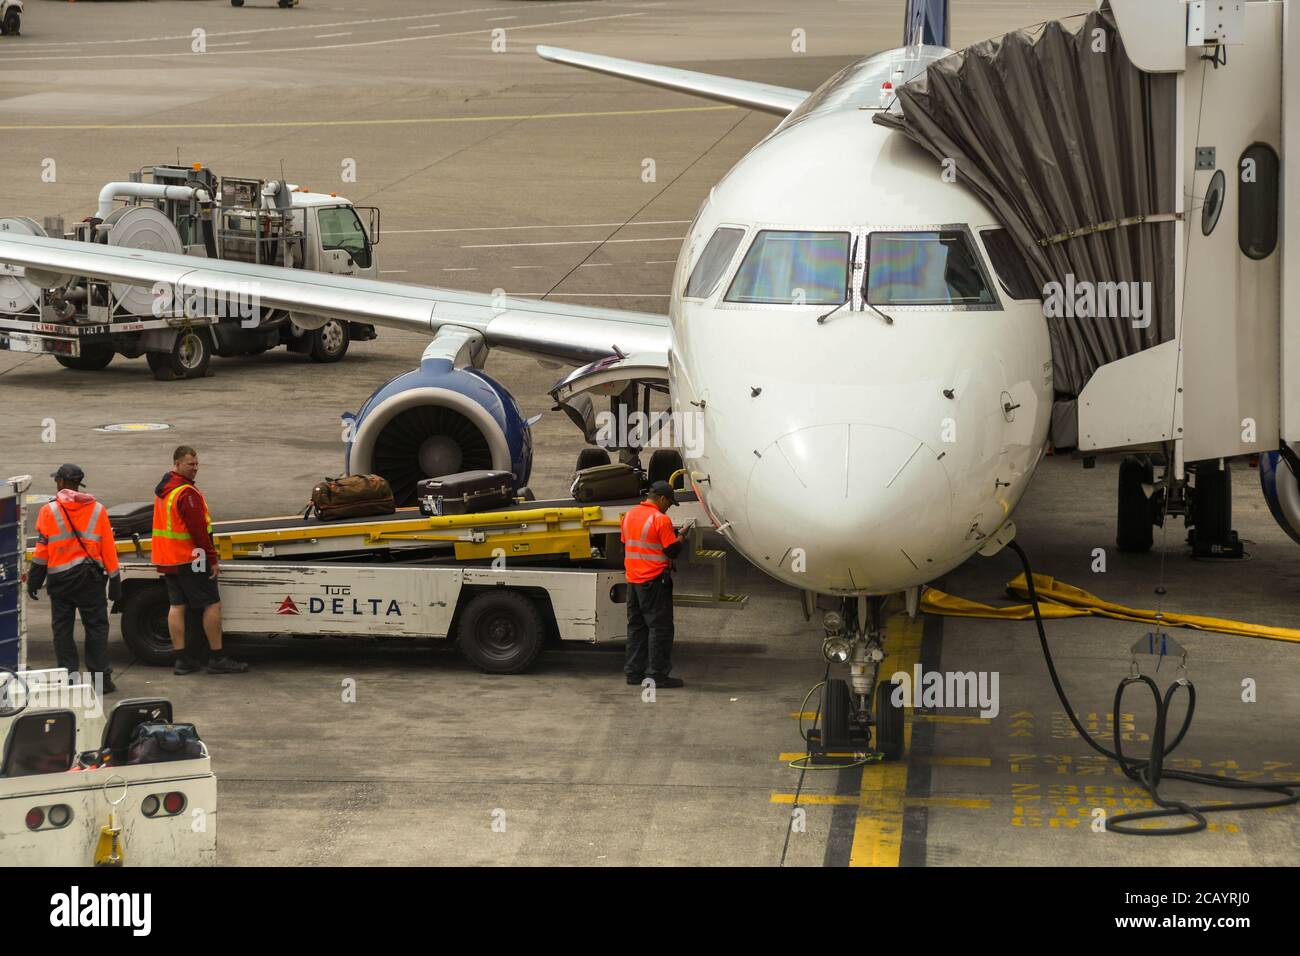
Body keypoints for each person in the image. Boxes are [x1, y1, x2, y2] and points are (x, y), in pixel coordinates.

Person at [152, 446, 247, 675]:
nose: (195, 469)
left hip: (169, 558)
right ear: (177, 465)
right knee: (211, 604)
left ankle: (182, 660)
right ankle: (217, 657)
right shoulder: (185, 493)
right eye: (190, 464)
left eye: (196, 464)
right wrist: (212, 557)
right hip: (190, 558)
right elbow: (198, 531)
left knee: (177, 606)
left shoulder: (164, 489)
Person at [27, 464, 120, 694]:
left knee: (62, 630)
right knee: (97, 628)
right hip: (90, 580)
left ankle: (68, 680)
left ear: (60, 482)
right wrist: (115, 581)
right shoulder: (98, 510)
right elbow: (108, 548)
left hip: (61, 581)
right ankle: (101, 682)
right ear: (79, 483)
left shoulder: (49, 511)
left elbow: (41, 551)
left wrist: (34, 580)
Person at [621, 480, 693, 689]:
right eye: (669, 503)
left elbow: (627, 544)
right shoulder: (661, 520)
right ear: (662, 499)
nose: (668, 507)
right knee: (659, 629)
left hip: (633, 581)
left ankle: (633, 672)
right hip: (653, 582)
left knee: (636, 627)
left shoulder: (629, 515)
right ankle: (657, 675)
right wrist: (682, 535)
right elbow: (672, 550)